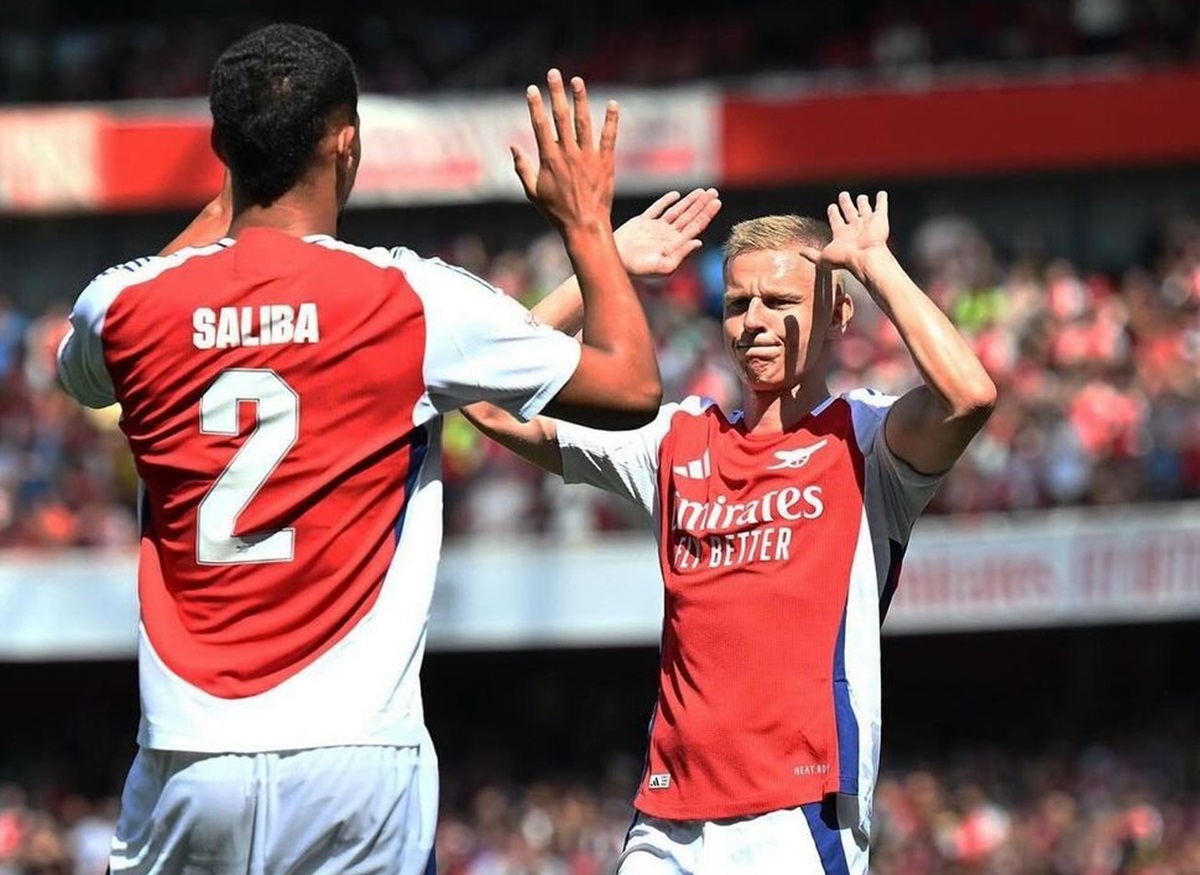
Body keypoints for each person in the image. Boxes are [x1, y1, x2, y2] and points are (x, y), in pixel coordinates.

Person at [53, 22, 717, 875]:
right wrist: (589, 228)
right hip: (357, 762)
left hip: (191, 754)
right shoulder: (409, 297)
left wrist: (237, 178)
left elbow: (89, 376)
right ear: (347, 144)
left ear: (223, 149)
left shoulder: (119, 306)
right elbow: (629, 388)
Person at [463, 192, 997, 873]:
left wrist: (872, 263)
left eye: (780, 302)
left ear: (836, 313)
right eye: (739, 304)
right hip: (666, 818)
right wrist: (605, 262)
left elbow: (969, 395)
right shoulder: (673, 438)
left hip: (796, 816)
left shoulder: (866, 441)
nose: (755, 323)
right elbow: (486, 396)